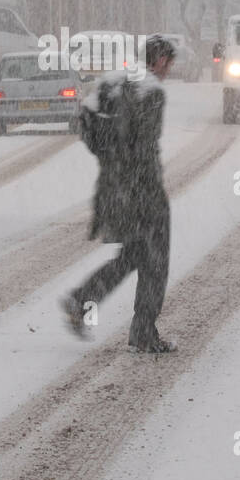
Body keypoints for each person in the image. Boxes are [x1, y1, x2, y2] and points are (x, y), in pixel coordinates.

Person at [59, 33, 176, 353]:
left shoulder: (112, 83)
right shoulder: (150, 92)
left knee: (133, 256)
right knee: (155, 261)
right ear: (162, 60)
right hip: (142, 192)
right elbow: (145, 147)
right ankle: (143, 332)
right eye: (169, 64)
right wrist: (150, 191)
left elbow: (88, 127)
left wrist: (113, 163)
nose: (168, 72)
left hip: (112, 189)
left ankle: (81, 299)